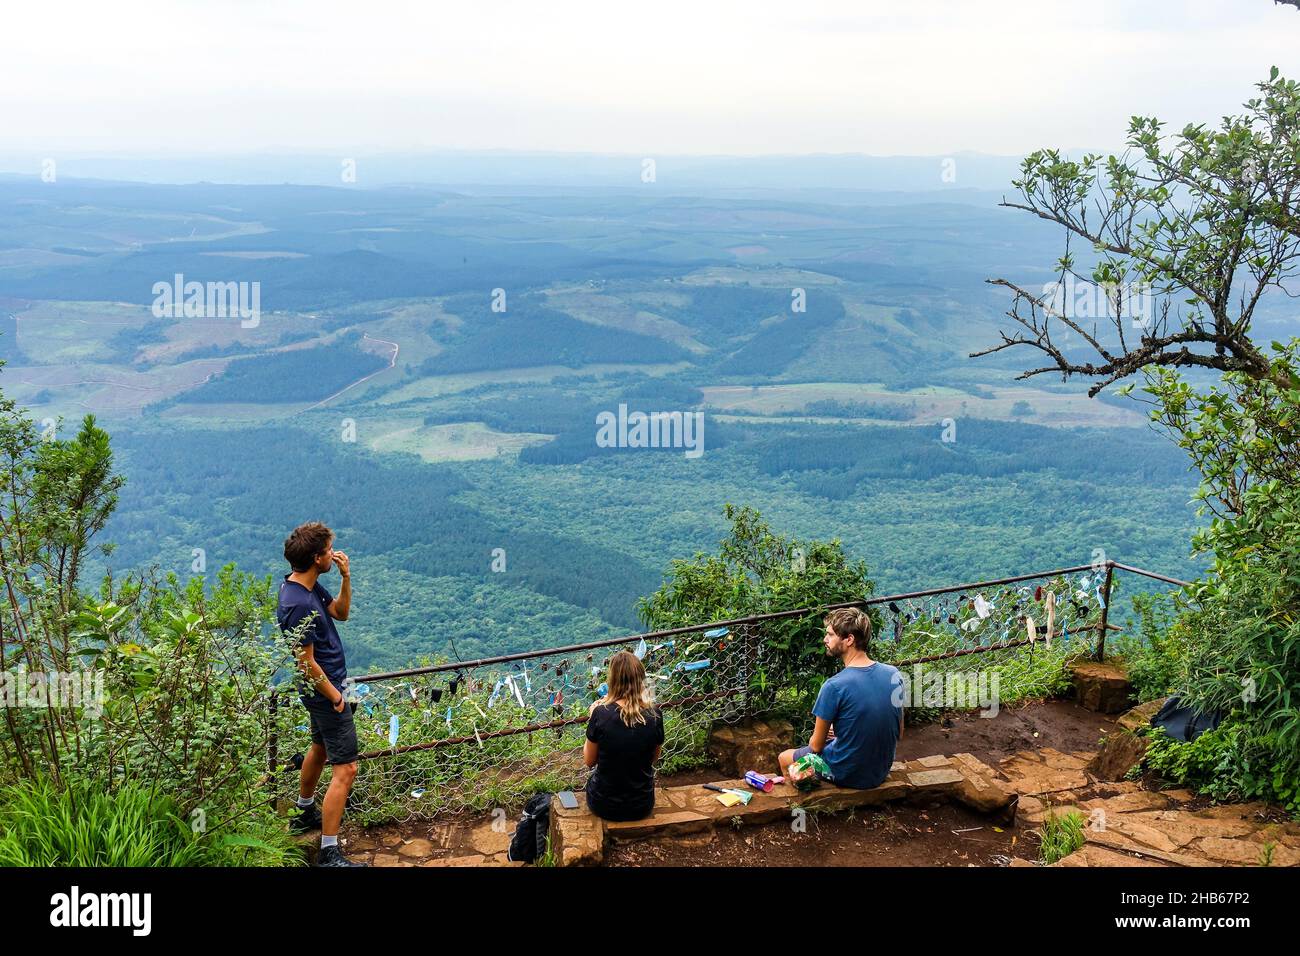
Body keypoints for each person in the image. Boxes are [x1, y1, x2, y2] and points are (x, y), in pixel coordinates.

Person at [277, 521, 367, 867]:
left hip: (320, 691)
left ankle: (304, 811)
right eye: (330, 550)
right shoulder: (299, 604)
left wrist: (345, 577)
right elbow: (306, 663)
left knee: (318, 747)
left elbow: (341, 614)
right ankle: (330, 852)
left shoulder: (304, 587)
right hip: (325, 691)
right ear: (317, 557)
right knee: (346, 769)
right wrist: (335, 696)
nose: (334, 553)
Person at [778, 607, 903, 790]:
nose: (825, 640)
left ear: (849, 639)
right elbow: (899, 732)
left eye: (830, 635)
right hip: (880, 770)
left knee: (784, 758)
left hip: (846, 773)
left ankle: (803, 805)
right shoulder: (894, 674)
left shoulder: (834, 686)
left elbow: (816, 745)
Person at [583, 651, 664, 822]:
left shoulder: (600, 714)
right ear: (640, 679)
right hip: (642, 804)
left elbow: (589, 761)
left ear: (613, 680)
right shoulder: (655, 714)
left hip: (604, 804)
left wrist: (594, 719)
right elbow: (654, 758)